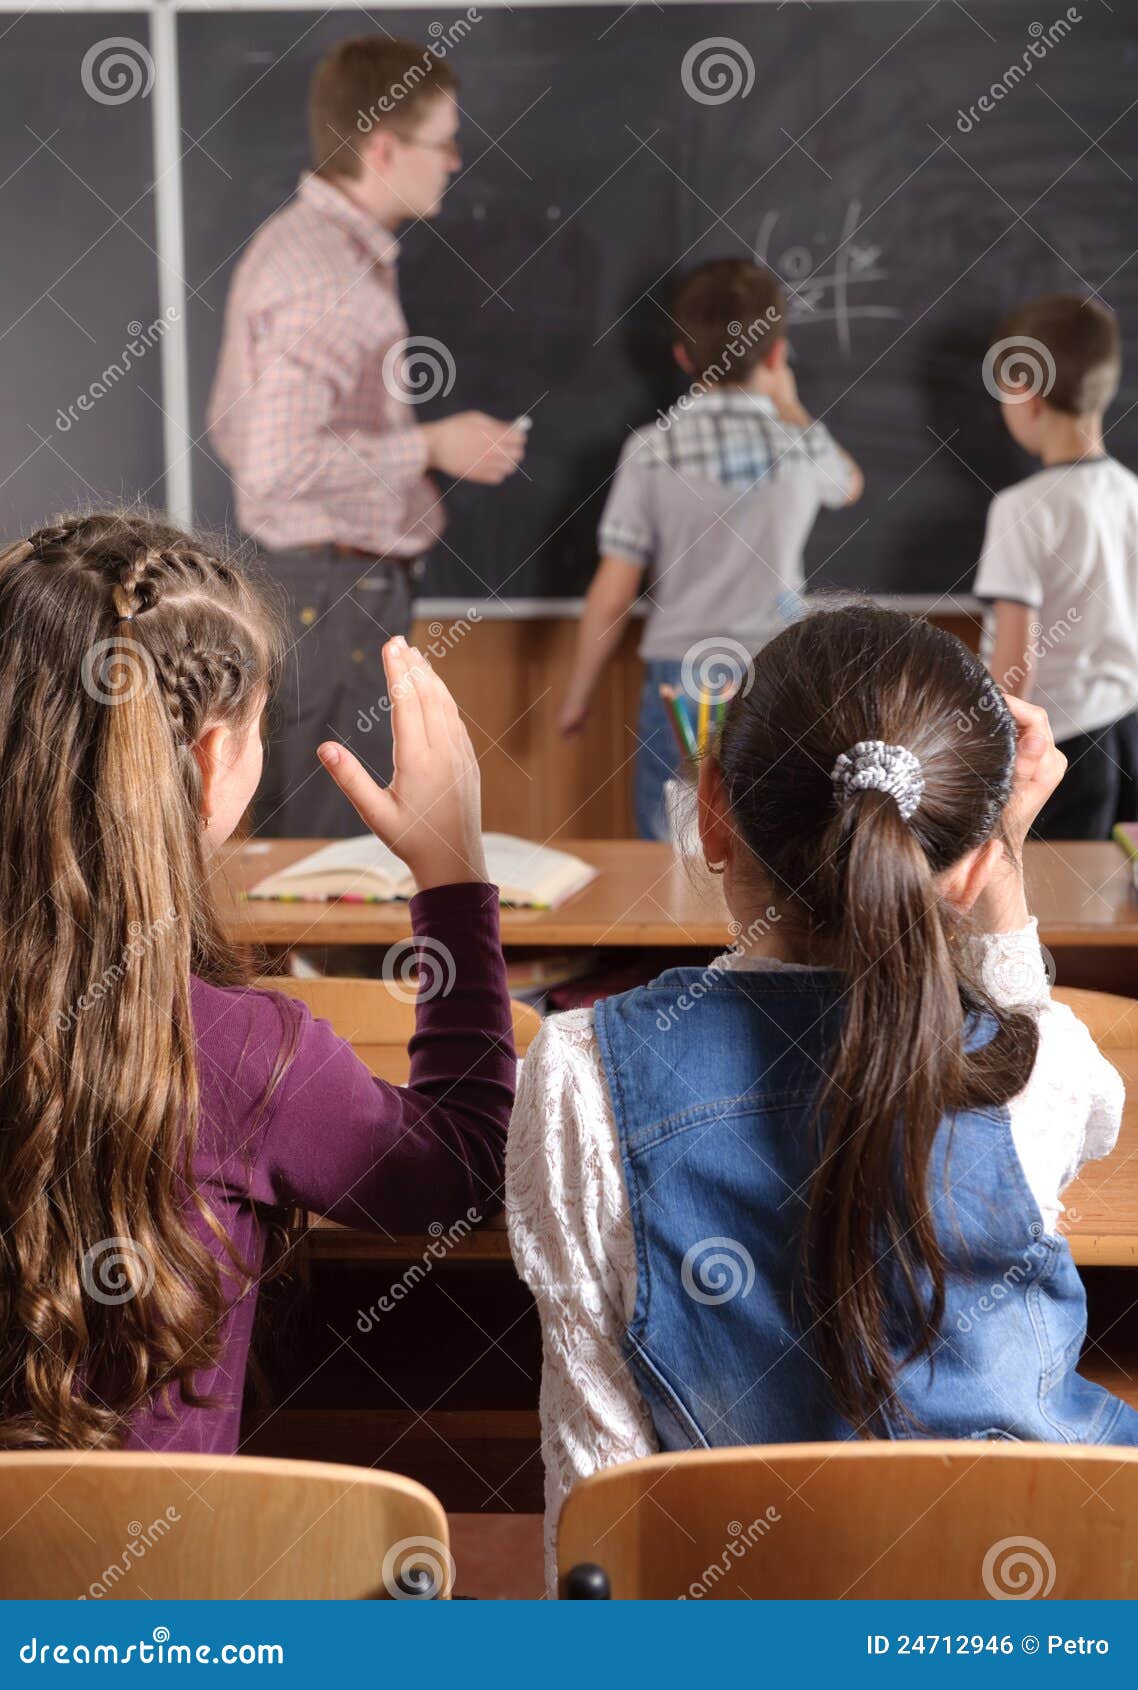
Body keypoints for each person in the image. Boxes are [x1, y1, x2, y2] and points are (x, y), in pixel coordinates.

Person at [511, 603, 1136, 1594]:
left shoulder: (581, 1067)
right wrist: (1003, 874)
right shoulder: (1030, 1063)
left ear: (710, 810)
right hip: (1050, 1610)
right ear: (972, 865)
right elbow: (1078, 1100)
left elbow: (599, 1490)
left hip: (741, 1624)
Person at [0, 510, 513, 1452]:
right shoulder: (249, 1058)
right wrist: (452, 876)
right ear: (207, 766)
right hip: (174, 1599)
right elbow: (468, 1165)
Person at [208, 35, 526, 837]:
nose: (454, 160)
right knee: (329, 863)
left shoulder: (318, 252)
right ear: (384, 148)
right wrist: (428, 445)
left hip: (326, 600)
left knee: (325, 854)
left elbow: (229, 425)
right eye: (443, 139)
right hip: (331, 603)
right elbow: (273, 465)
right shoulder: (324, 273)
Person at [557, 258, 863, 839]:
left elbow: (614, 588)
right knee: (778, 843)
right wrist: (791, 406)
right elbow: (849, 484)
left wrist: (578, 695)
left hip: (685, 675)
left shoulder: (650, 449)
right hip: (782, 672)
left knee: (672, 855)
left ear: (681, 356)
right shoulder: (799, 446)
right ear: (776, 356)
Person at [976, 291, 1138, 838]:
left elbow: (1015, 665)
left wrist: (990, 760)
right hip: (1130, 733)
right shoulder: (1132, 494)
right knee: (1120, 909)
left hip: (1060, 748)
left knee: (1060, 907)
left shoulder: (1020, 508)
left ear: (1025, 392)